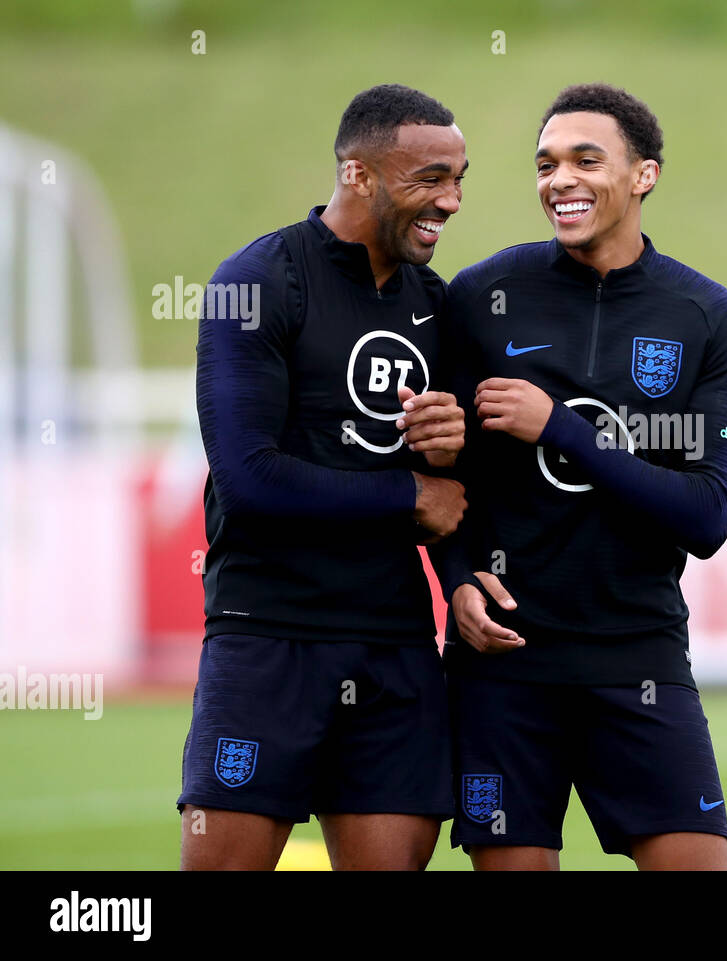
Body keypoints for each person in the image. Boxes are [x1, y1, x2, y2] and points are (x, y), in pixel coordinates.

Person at [402, 83, 727, 870]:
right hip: (505, 661)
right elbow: (438, 473)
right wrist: (456, 580)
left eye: (585, 160)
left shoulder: (707, 316)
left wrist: (559, 425)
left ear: (644, 175)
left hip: (639, 655)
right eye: (546, 163)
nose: (559, 179)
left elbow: (706, 518)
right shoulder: (483, 296)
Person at [179, 84, 469, 870]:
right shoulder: (258, 282)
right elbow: (251, 478)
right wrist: (411, 493)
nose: (451, 199)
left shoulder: (439, 308)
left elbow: (458, 490)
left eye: (459, 178)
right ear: (359, 175)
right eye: (430, 178)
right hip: (268, 634)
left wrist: (445, 460)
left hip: (394, 641)